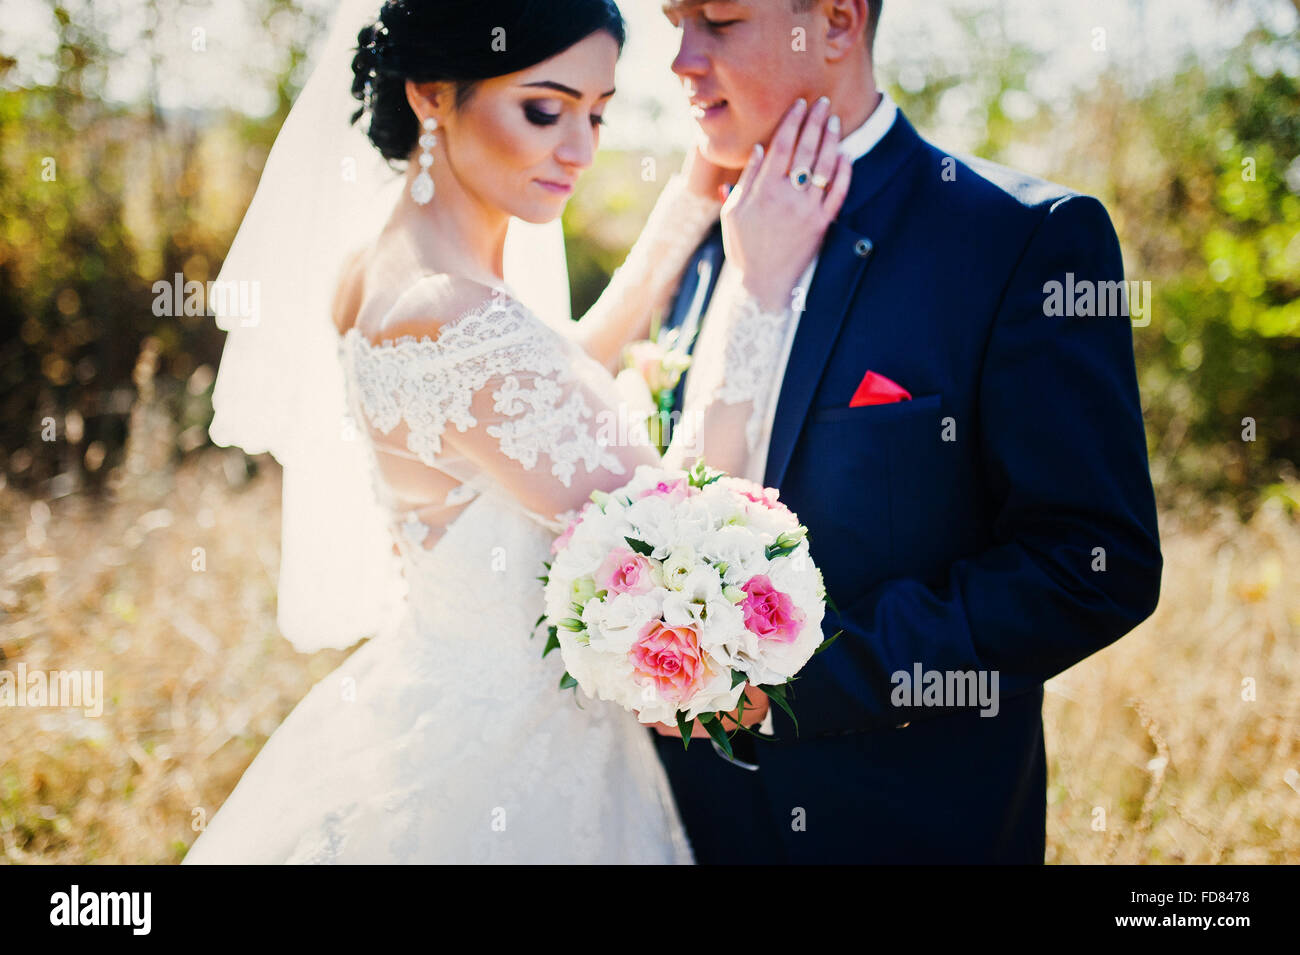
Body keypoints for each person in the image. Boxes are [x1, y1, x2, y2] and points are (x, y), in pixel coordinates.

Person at [187, 0, 846, 863]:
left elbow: (555, 369)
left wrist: (691, 199)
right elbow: (673, 542)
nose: (578, 151)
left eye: (598, 113)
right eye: (544, 109)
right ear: (431, 94)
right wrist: (758, 288)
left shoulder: (391, 271)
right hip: (505, 772)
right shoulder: (450, 318)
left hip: (450, 703)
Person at [649, 0, 1164, 863]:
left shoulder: (1017, 238)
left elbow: (1092, 565)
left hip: (905, 827)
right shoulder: (704, 245)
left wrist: (792, 681)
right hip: (686, 825)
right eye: (674, 22)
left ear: (840, 22)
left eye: (720, 21)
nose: (680, 60)